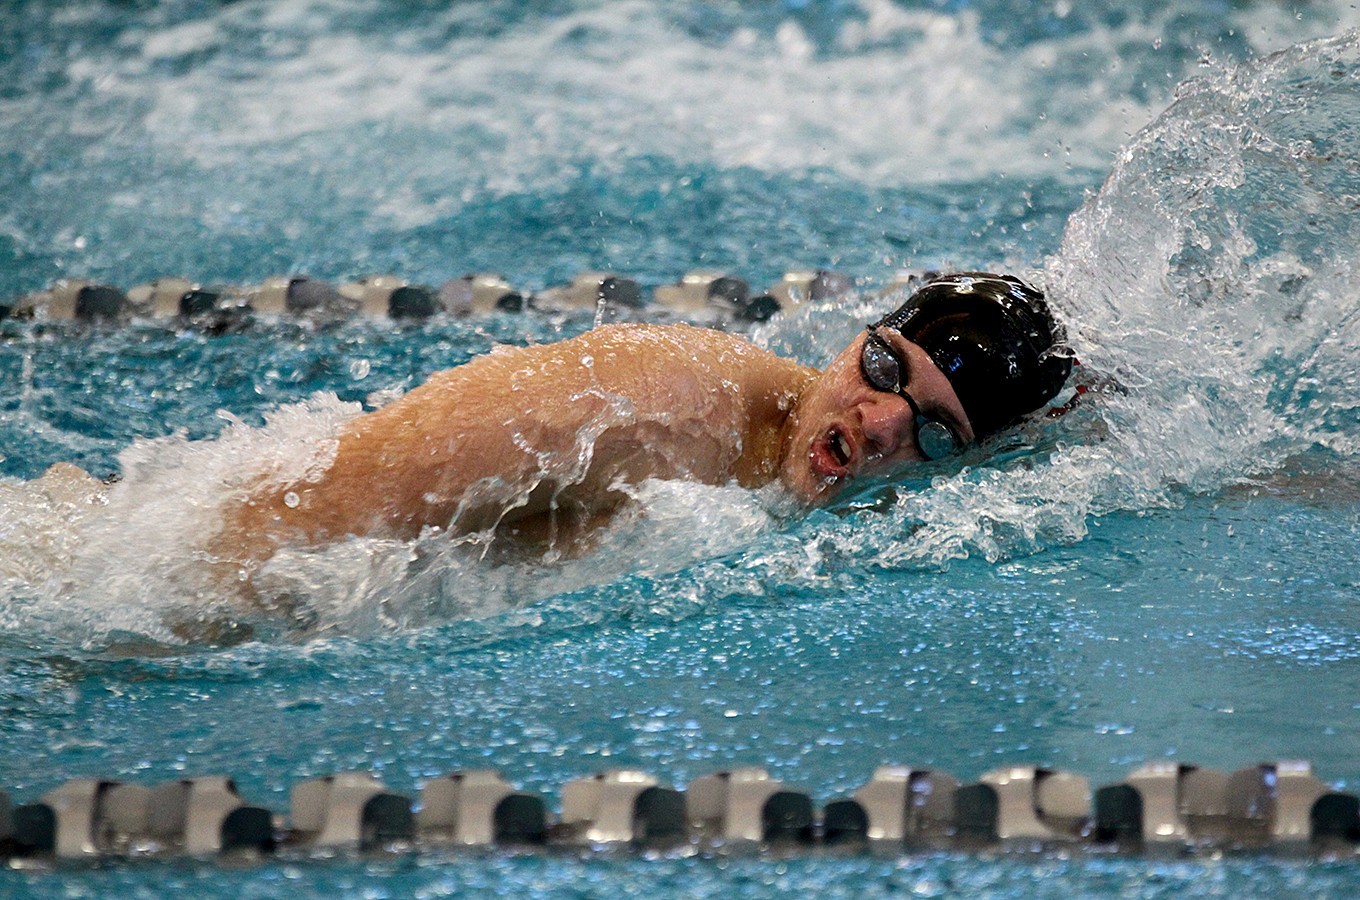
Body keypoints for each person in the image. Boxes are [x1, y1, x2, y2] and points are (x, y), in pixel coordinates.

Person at [212, 272, 1073, 572]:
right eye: (884, 369)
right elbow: (330, 504)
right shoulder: (657, 402)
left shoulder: (892, 491)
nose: (881, 421)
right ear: (856, 336)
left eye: (930, 432)